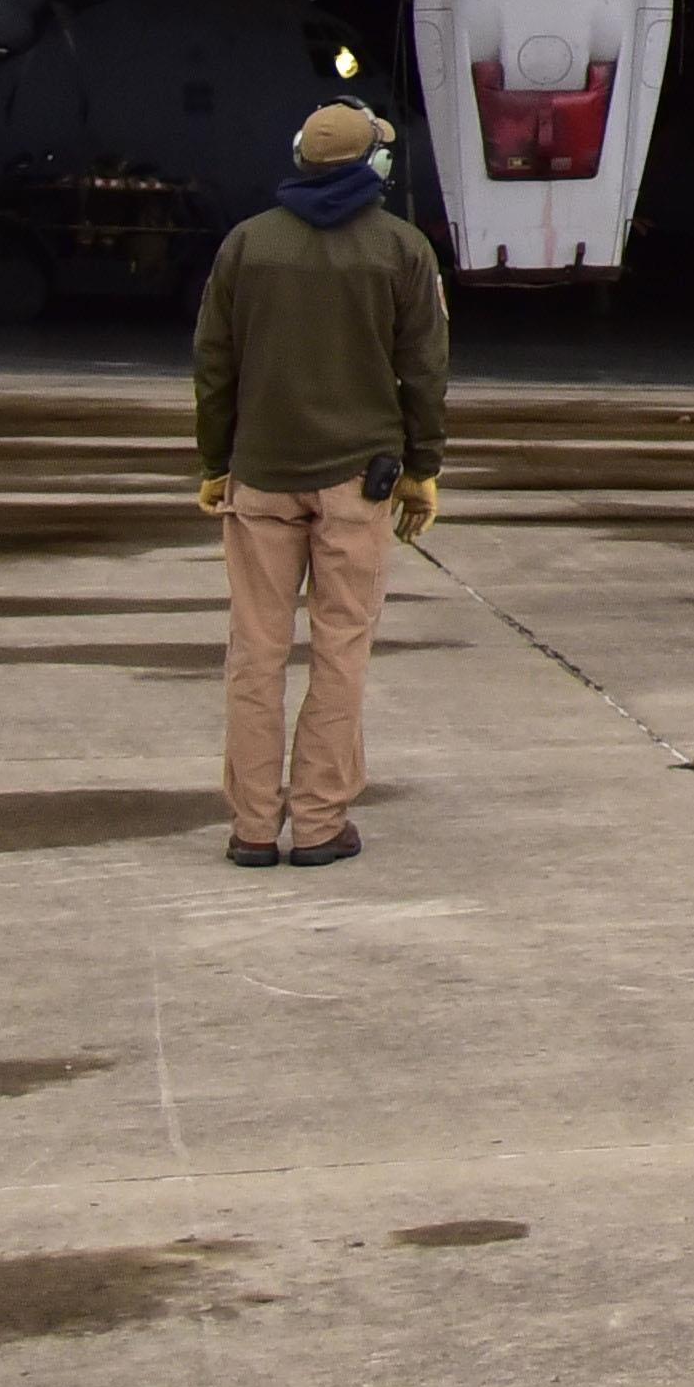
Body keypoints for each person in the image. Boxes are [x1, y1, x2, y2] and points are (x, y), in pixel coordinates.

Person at [192, 100, 449, 868]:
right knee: (340, 650)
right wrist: (424, 469)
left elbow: (214, 363)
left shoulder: (247, 244)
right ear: (374, 167)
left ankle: (251, 828)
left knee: (256, 654)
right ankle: (320, 822)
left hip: (262, 479)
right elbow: (425, 371)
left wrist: (215, 463)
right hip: (357, 482)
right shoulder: (403, 249)